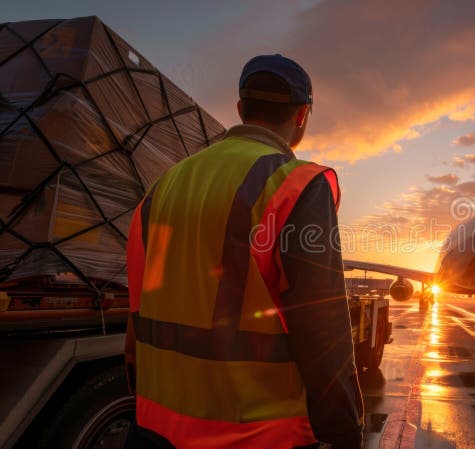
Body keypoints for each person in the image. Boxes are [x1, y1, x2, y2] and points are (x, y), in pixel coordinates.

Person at [124, 54, 364, 449]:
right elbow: (324, 331)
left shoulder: (163, 186)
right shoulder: (295, 184)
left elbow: (138, 311)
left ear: (240, 109)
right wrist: (345, 432)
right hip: (254, 436)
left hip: (154, 431)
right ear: (302, 115)